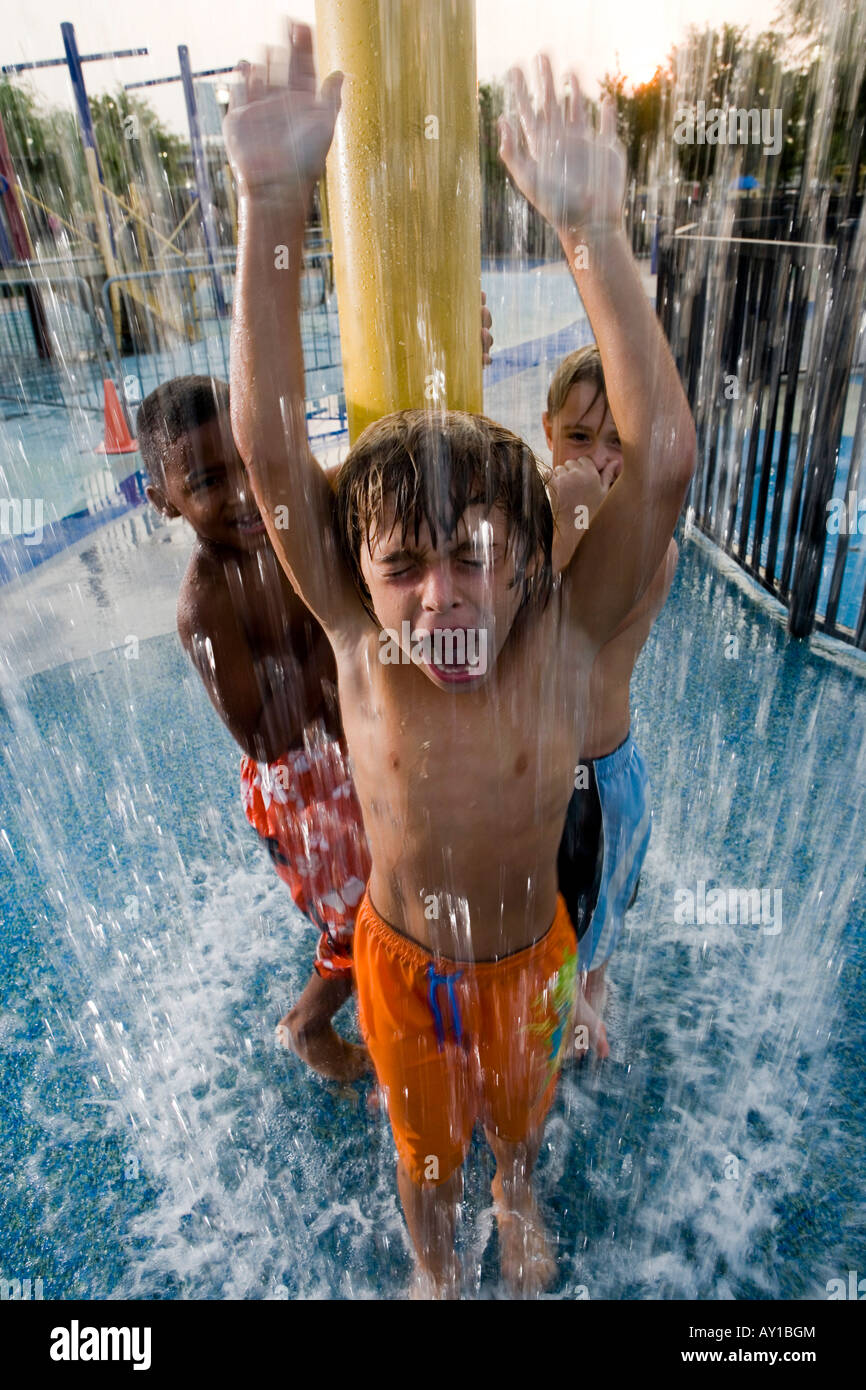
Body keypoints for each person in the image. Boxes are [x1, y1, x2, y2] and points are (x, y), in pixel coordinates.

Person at [225, 24, 696, 1296]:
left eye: (476, 557)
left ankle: (515, 1184)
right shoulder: (357, 643)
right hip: (397, 955)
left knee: (517, 1111)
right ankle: (436, 1261)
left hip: (532, 954)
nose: (439, 598)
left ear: (533, 560)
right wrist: (271, 210)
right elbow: (271, 452)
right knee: (416, 1145)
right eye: (401, 567)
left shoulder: (562, 637)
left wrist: (591, 228)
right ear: (356, 575)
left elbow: (655, 463)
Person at [138, 377, 371, 1082]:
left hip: (344, 746)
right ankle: (310, 1023)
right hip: (295, 785)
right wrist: (328, 640)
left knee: (410, 876)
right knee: (365, 917)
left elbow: (374, 478)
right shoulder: (204, 606)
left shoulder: (297, 513)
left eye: (248, 463)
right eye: (210, 480)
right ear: (164, 500)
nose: (243, 493)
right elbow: (263, 740)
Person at [544, 346, 679, 1025]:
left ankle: (586, 1013)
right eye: (579, 436)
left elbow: (562, 627)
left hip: (596, 785)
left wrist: (573, 522)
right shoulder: (533, 528)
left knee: (588, 945)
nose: (600, 458)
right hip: (549, 778)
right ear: (548, 434)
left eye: (618, 441)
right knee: (544, 938)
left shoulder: (653, 547)